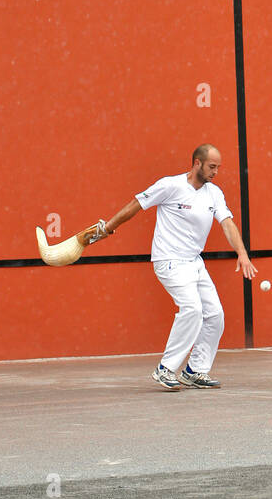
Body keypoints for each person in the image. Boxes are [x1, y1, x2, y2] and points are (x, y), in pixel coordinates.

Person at [98, 144, 257, 390]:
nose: (216, 172)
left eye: (218, 167)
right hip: (169, 260)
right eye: (212, 167)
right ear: (197, 163)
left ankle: (194, 370)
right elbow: (136, 204)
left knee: (214, 314)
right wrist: (109, 227)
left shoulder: (214, 193)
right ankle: (166, 369)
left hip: (194, 262)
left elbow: (227, 223)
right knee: (192, 309)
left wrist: (242, 254)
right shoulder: (170, 186)